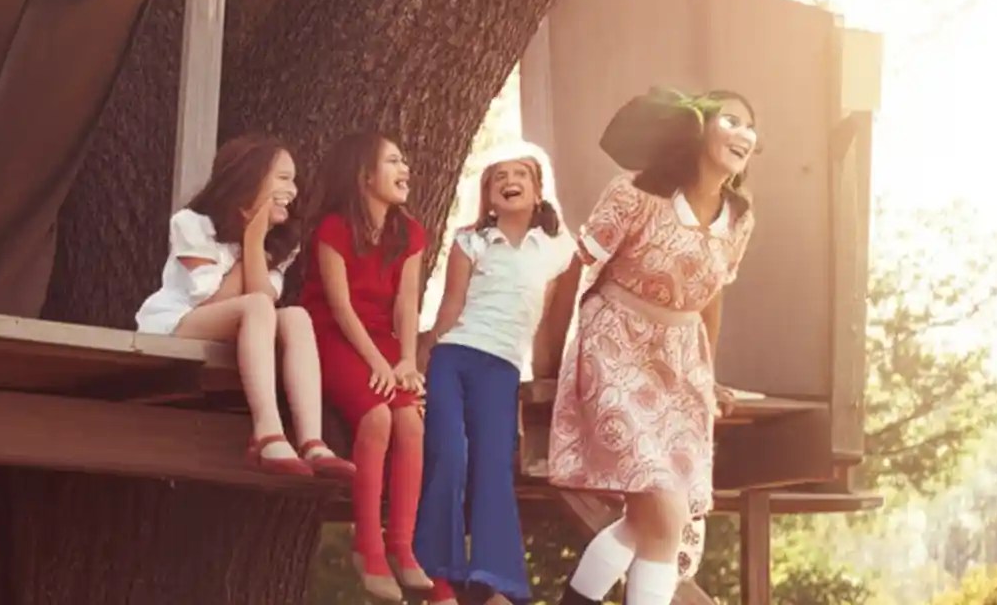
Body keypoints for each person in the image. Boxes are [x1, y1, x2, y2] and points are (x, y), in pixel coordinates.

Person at [549, 89, 760, 605]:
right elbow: (575, 269)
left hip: (681, 363)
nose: (744, 134)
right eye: (731, 120)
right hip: (614, 345)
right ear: (698, 128)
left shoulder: (739, 219)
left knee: (646, 519)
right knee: (665, 512)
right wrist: (546, 357)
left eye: (751, 126)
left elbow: (710, 299)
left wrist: (705, 380)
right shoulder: (634, 194)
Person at [135, 135, 355, 481]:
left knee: (296, 316)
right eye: (283, 178)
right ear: (250, 179)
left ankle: (312, 441)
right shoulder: (192, 224)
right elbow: (215, 301)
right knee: (256, 306)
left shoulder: (281, 245)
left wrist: (257, 241)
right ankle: (267, 433)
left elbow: (263, 298)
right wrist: (250, 239)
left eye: (294, 180)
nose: (293, 190)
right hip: (179, 323)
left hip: (242, 327)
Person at [414, 143, 571, 605]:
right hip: (453, 357)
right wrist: (419, 353)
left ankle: (498, 581)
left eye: (519, 173)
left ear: (538, 190)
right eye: (498, 176)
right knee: (450, 453)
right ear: (488, 195)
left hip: (502, 368)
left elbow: (554, 317)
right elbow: (451, 309)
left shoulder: (557, 250)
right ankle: (434, 570)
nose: (508, 180)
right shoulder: (471, 241)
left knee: (495, 466)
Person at [299, 131, 432, 602]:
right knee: (376, 416)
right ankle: (367, 546)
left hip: (383, 341)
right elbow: (339, 307)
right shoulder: (333, 229)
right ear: (364, 176)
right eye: (394, 161)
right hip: (333, 334)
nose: (405, 170)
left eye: (404, 162)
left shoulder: (410, 232)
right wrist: (378, 362)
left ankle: (402, 545)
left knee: (410, 422)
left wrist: (407, 361)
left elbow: (407, 305)